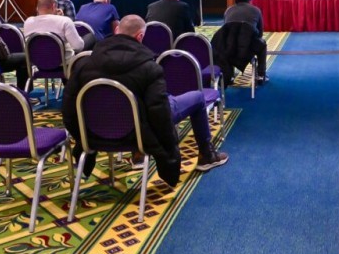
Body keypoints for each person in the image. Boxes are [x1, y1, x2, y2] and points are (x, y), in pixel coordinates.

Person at [62, 14, 228, 185]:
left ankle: (138, 155)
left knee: (136, 106)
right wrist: (166, 149)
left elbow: (68, 108)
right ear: (140, 36)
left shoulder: (83, 65)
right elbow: (159, 113)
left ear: (117, 30)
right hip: (139, 135)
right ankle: (206, 155)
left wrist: (82, 136)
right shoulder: (149, 68)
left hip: (94, 132)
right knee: (198, 97)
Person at [223, 0, 268, 83]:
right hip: (249, 46)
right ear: (249, 0)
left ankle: (229, 75)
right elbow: (260, 33)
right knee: (263, 44)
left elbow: (224, 31)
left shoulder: (228, 10)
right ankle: (261, 74)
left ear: (235, 1)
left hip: (231, 47)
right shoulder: (256, 10)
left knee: (226, 43)